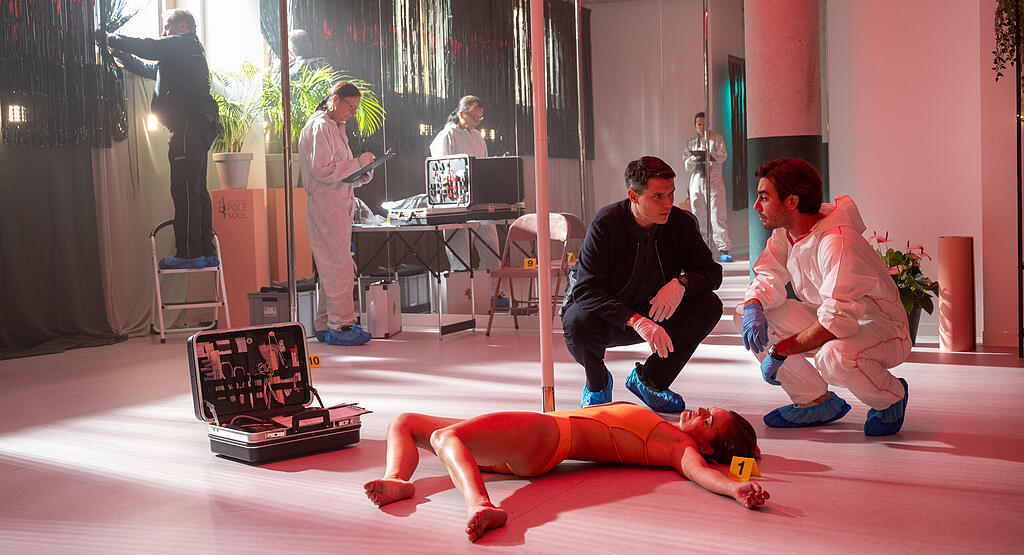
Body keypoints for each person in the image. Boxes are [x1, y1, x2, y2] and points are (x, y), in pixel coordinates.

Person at [364, 401, 767, 542]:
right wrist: (750, 454)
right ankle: (398, 479)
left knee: (446, 436)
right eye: (709, 409)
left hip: (547, 435)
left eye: (708, 421)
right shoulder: (673, 432)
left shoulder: (681, 448)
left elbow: (701, 473)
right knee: (406, 422)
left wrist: (735, 488)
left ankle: (480, 504)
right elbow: (733, 455)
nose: (700, 411)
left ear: (707, 446)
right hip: (529, 444)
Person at [736, 158, 911, 436]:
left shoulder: (837, 241)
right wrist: (754, 304)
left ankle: (891, 396)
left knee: (834, 357)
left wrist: (779, 351)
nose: (757, 206)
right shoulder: (787, 232)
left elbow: (836, 323)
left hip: (883, 330)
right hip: (833, 318)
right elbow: (770, 272)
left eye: (764, 197)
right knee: (746, 312)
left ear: (791, 201)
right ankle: (814, 400)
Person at [561, 156, 723, 411]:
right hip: (608, 316)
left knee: (709, 305)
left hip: (653, 309)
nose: (668, 203)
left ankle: (651, 380)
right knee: (578, 323)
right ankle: (597, 384)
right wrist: (636, 321)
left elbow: (712, 273)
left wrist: (681, 283)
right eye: (658, 196)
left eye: (671, 194)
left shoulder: (680, 223)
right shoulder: (606, 223)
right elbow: (585, 290)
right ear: (633, 196)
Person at [102, 9, 220, 270]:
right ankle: (205, 250)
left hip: (188, 124)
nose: (164, 32)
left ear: (182, 25)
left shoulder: (182, 43)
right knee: (197, 187)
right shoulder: (187, 52)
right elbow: (150, 68)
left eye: (167, 26)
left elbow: (151, 48)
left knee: (184, 187)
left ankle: (189, 253)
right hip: (197, 124)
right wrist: (121, 55)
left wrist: (111, 39)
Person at [298, 82, 375, 346]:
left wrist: (361, 174)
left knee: (332, 267)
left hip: (337, 204)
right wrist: (357, 163)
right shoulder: (320, 126)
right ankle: (342, 325)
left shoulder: (334, 127)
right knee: (339, 267)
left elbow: (339, 173)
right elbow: (322, 170)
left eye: (356, 108)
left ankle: (324, 324)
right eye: (350, 106)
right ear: (335, 101)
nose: (353, 113)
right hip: (327, 205)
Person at [429, 95, 502, 272]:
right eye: (474, 118)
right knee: (460, 258)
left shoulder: (478, 137)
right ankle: (463, 288)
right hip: (456, 204)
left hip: (480, 201)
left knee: (492, 252)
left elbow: (484, 165)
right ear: (461, 114)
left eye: (480, 119)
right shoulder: (447, 135)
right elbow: (439, 171)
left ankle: (492, 288)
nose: (477, 122)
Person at [683, 112, 733, 263]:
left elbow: (723, 156)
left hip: (713, 181)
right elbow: (686, 165)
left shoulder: (716, 138)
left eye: (704, 124)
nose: (702, 127)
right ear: (695, 125)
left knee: (717, 215)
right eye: (699, 124)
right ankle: (703, 248)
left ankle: (723, 248)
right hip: (697, 181)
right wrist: (694, 159)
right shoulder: (691, 142)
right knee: (698, 215)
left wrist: (709, 154)